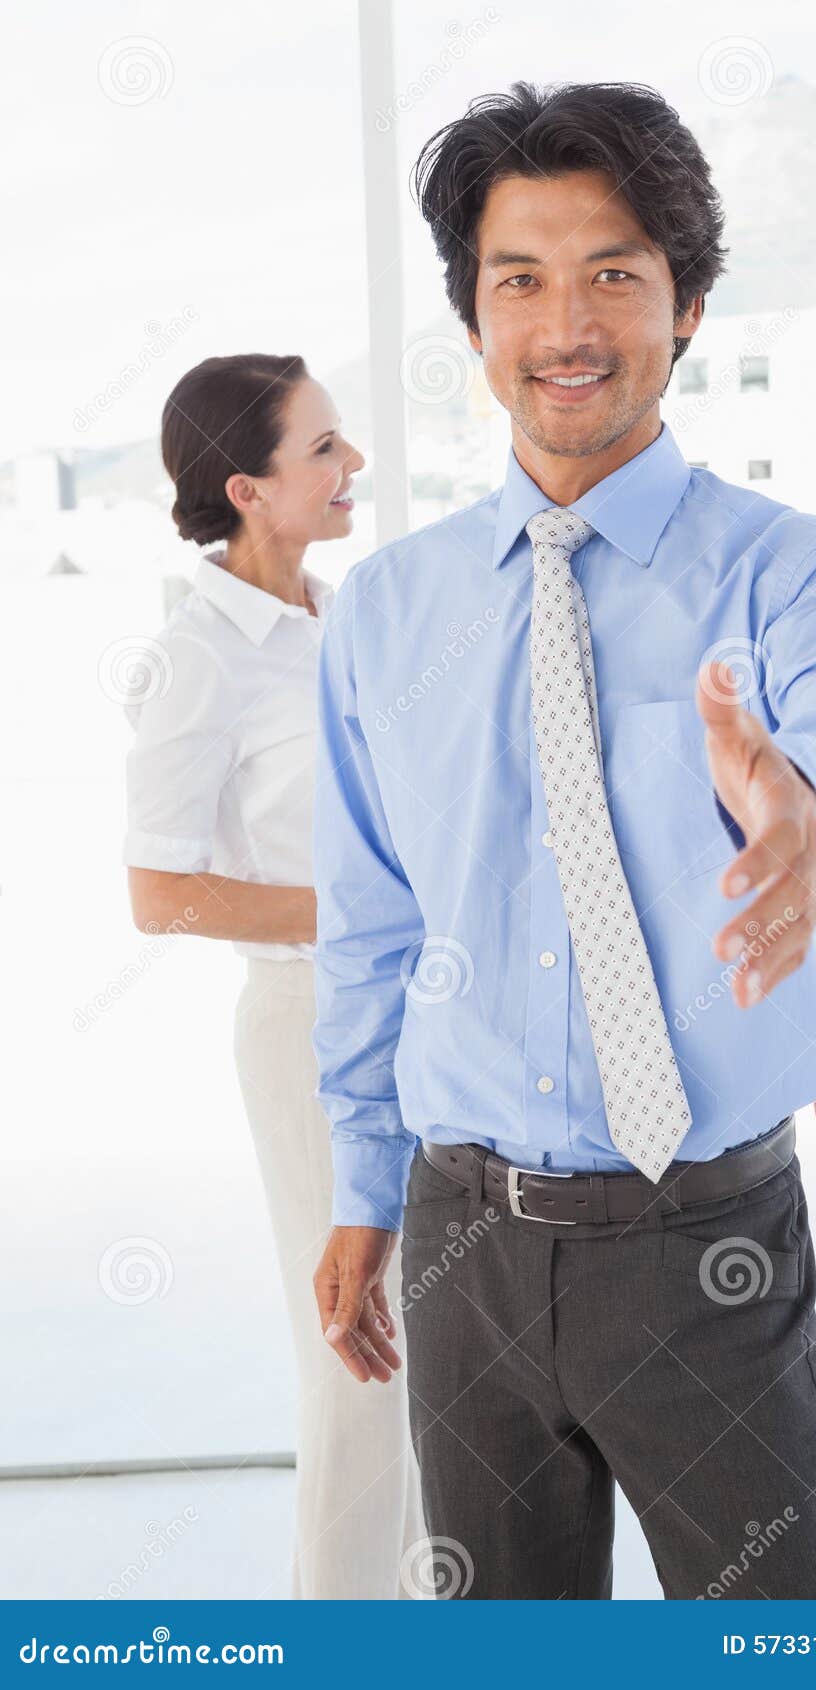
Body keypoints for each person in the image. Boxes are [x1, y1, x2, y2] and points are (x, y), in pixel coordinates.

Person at [310, 82, 816, 1601]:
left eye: (613, 274)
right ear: (471, 320)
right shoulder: (387, 613)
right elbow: (373, 923)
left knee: (778, 1640)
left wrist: (813, 807)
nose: (564, 322)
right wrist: (361, 1182)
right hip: (462, 1237)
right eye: (518, 278)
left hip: (700, 1238)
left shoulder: (797, 572)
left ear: (689, 306)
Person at [122, 354, 425, 1599]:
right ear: (248, 487)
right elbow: (159, 892)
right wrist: (366, 913)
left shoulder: (348, 612)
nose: (353, 465)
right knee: (362, 1363)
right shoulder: (198, 654)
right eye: (324, 450)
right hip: (310, 1023)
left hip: (424, 1012)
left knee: (440, 1360)